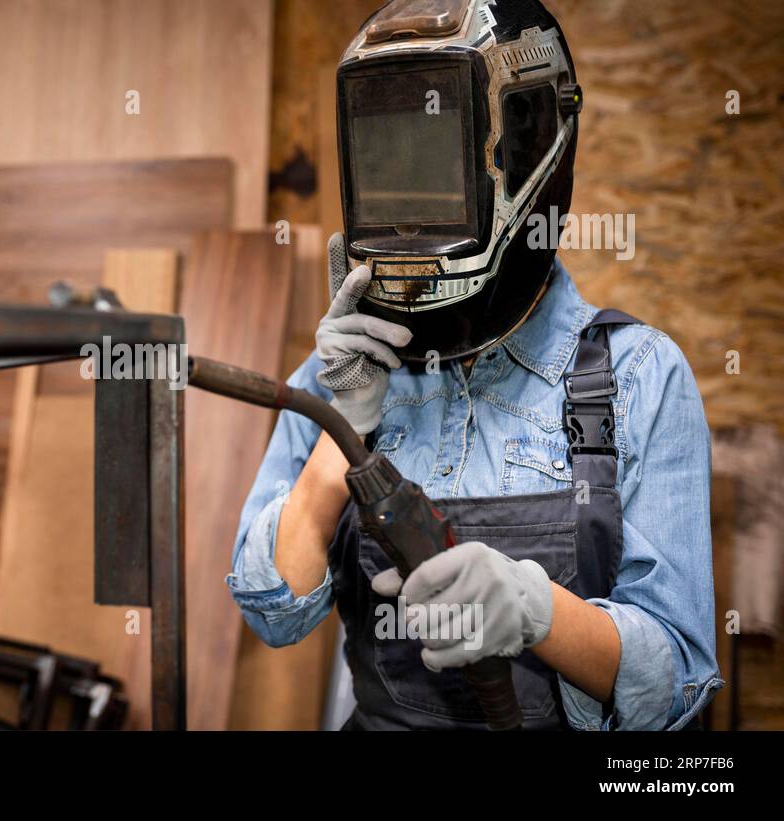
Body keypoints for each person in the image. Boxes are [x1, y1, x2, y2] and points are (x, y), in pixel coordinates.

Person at [228, 0, 721, 730]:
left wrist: (536, 610)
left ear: (529, 141)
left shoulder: (638, 376)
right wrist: (342, 438)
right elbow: (273, 610)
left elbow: (678, 681)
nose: (410, 221)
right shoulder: (339, 378)